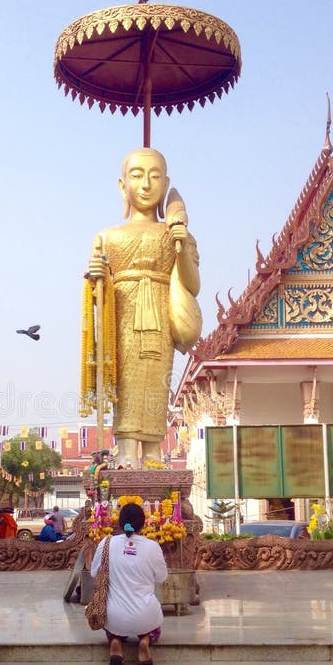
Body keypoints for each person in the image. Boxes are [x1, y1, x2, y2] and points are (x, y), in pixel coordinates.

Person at [86, 148, 201, 466]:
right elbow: (97, 295)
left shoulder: (175, 233)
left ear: (166, 185)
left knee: (155, 381)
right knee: (126, 381)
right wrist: (96, 279)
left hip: (161, 320)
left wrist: (180, 247)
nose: (146, 184)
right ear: (123, 186)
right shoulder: (107, 237)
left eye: (154, 176)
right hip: (122, 318)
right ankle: (125, 450)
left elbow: (192, 285)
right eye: (137, 175)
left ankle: (153, 451)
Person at [90, 502, 168, 665]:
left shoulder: (106, 543)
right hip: (146, 614)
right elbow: (162, 577)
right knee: (153, 628)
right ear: (143, 522)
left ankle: (116, 641)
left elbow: (94, 573)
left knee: (114, 624)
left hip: (114, 616)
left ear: (119, 522)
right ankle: (145, 641)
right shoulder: (152, 546)